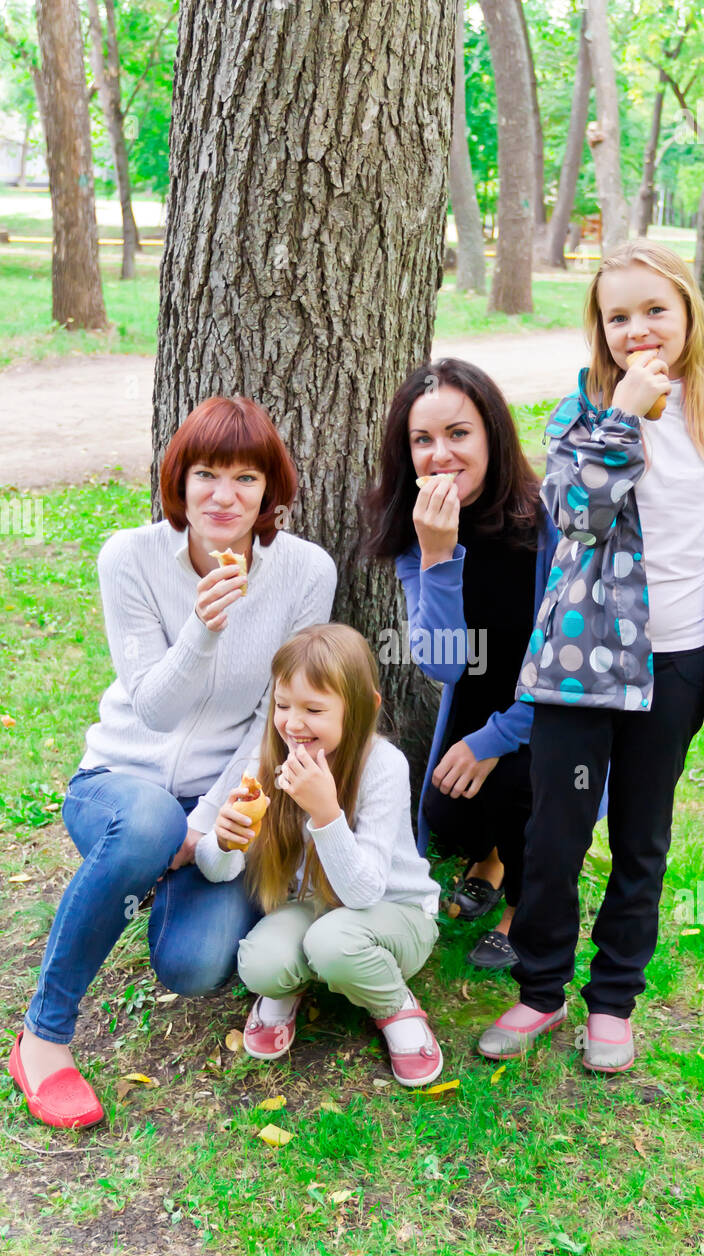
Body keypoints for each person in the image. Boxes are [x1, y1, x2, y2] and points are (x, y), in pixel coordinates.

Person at [477, 238, 704, 1071]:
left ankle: (613, 1000)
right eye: (619, 316)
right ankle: (540, 991)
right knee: (557, 836)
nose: (639, 329)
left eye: (656, 310)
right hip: (584, 667)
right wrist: (626, 418)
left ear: (689, 313)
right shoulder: (580, 417)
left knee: (642, 838)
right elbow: (578, 515)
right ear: (599, 329)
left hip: (680, 665)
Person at [9, 396, 336, 1129]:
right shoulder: (129, 557)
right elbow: (152, 707)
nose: (224, 495)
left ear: (271, 492)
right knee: (149, 822)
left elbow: (274, 720)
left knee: (193, 966)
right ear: (178, 483)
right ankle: (44, 1036)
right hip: (118, 788)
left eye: (247, 478)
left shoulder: (305, 572)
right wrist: (202, 627)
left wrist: (206, 827)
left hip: (218, 802)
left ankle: (154, 873)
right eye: (207, 475)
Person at [364, 358, 562, 971]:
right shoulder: (418, 532)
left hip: (549, 707)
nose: (440, 454)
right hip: (473, 699)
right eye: (422, 439)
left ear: (491, 436)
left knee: (509, 786)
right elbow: (443, 666)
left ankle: (523, 908)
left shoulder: (545, 520)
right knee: (445, 813)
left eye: (458, 434)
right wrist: (439, 554)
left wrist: (500, 738)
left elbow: (566, 660)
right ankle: (491, 858)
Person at [195, 624, 443, 1088]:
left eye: (313, 709)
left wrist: (326, 813)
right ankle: (294, 982)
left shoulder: (382, 765)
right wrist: (225, 843)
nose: (292, 723)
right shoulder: (268, 761)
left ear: (364, 707)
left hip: (394, 916)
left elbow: (364, 891)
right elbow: (214, 869)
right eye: (282, 705)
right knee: (261, 964)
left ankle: (395, 1006)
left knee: (333, 943)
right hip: (314, 910)